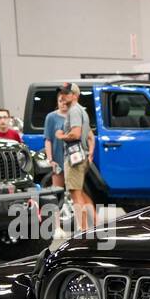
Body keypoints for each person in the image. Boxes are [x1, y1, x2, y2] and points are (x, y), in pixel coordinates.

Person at [54, 82, 95, 232]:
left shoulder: (74, 111)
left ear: (75, 95)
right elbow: (90, 136)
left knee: (75, 195)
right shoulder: (81, 111)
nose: (63, 95)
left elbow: (76, 134)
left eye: (67, 93)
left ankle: (82, 229)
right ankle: (87, 227)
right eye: (62, 93)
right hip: (80, 156)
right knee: (79, 193)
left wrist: (61, 136)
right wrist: (90, 153)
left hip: (74, 158)